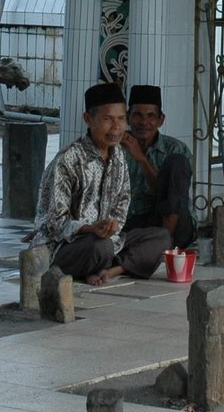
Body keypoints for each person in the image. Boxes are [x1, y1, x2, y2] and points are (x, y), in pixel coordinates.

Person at [30, 83, 170, 286]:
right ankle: (100, 265)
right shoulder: (68, 160)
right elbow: (54, 223)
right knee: (99, 248)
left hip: (107, 242)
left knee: (161, 237)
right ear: (88, 119)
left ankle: (110, 270)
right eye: (107, 119)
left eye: (121, 119)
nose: (116, 127)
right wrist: (89, 228)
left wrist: (111, 226)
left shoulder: (119, 156)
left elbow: (122, 204)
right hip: (65, 247)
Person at [119, 84, 196, 248]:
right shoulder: (117, 147)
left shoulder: (176, 149)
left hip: (175, 226)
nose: (144, 122)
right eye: (137, 115)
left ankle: (163, 243)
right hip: (134, 223)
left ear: (161, 120)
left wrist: (141, 159)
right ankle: (154, 246)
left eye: (151, 116)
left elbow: (166, 193)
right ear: (128, 117)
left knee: (177, 161)